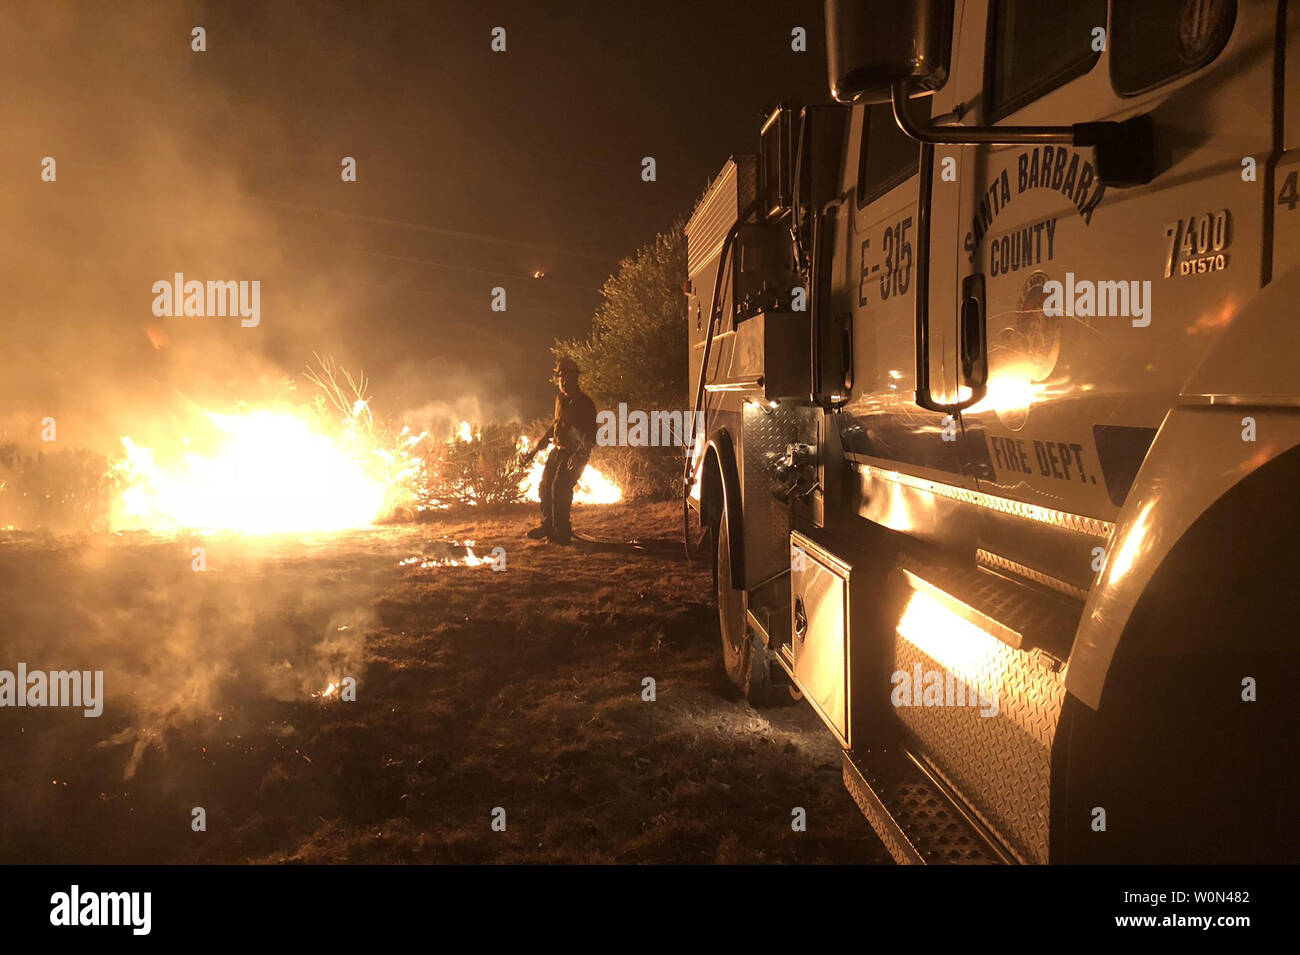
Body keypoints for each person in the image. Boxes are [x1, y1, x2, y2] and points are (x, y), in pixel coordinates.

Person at [523, 356, 598, 544]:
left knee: (560, 488)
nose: (562, 381)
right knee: (545, 486)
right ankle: (548, 526)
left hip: (575, 454)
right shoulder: (560, 399)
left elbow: (591, 435)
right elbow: (556, 427)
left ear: (575, 379)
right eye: (560, 377)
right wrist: (535, 450)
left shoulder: (585, 404)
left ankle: (562, 533)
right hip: (558, 451)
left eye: (566, 377)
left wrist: (579, 455)